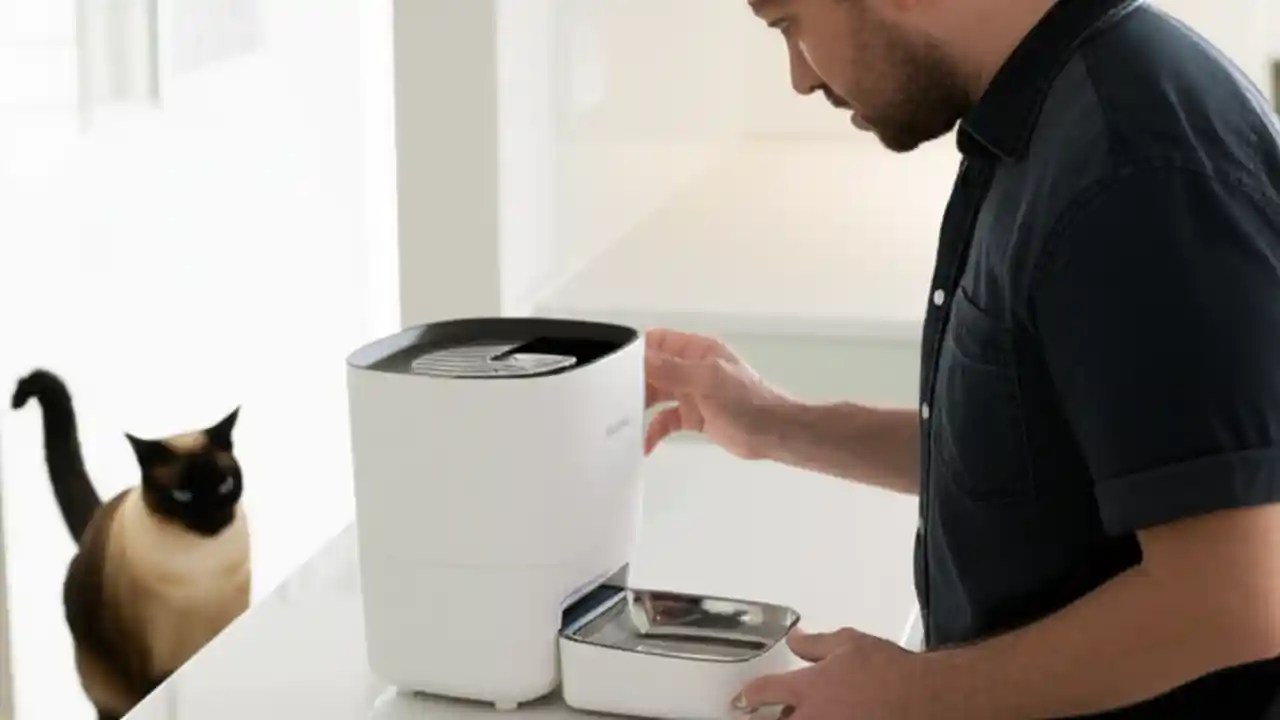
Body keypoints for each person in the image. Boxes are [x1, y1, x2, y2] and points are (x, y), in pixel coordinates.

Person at [641, 0, 1280, 717]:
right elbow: (1040, 456)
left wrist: (909, 694)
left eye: (789, 22)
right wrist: (771, 422)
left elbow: (1234, 599)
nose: (798, 76)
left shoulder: (1131, 158)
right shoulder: (1057, 118)